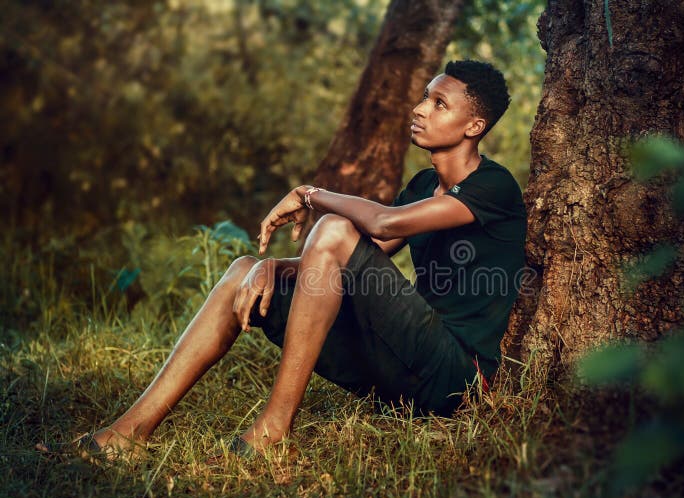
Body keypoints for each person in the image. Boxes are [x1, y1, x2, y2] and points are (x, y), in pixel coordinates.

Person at [67, 59, 525, 458]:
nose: (421, 109)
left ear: (474, 127)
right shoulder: (423, 187)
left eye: (439, 104)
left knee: (333, 227)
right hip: (404, 369)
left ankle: (273, 429)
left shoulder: (494, 186)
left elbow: (383, 225)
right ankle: (128, 434)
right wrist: (275, 268)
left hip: (458, 379)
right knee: (244, 270)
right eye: (425, 97)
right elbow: (359, 255)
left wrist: (310, 195)